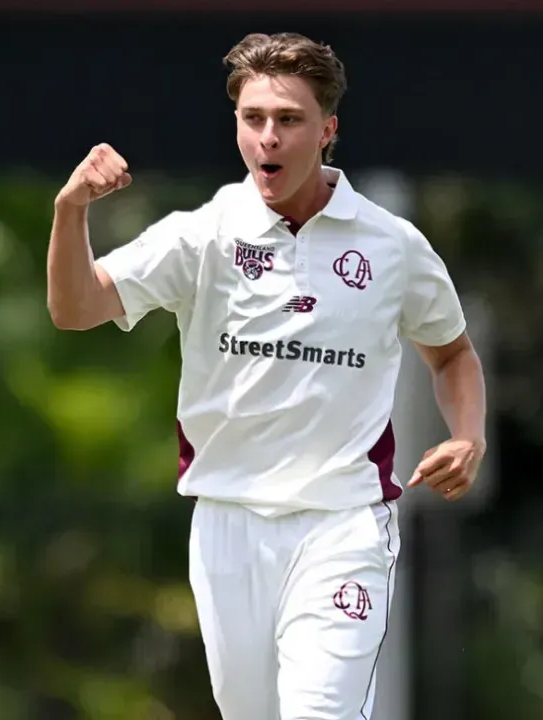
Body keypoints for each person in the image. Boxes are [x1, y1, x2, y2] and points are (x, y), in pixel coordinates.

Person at [46, 32, 487, 719]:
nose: (268, 139)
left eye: (288, 120)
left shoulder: (391, 245)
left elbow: (452, 351)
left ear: (327, 130)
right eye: (253, 120)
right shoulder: (203, 234)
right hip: (228, 524)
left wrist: (468, 434)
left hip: (343, 524)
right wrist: (70, 211)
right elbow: (74, 309)